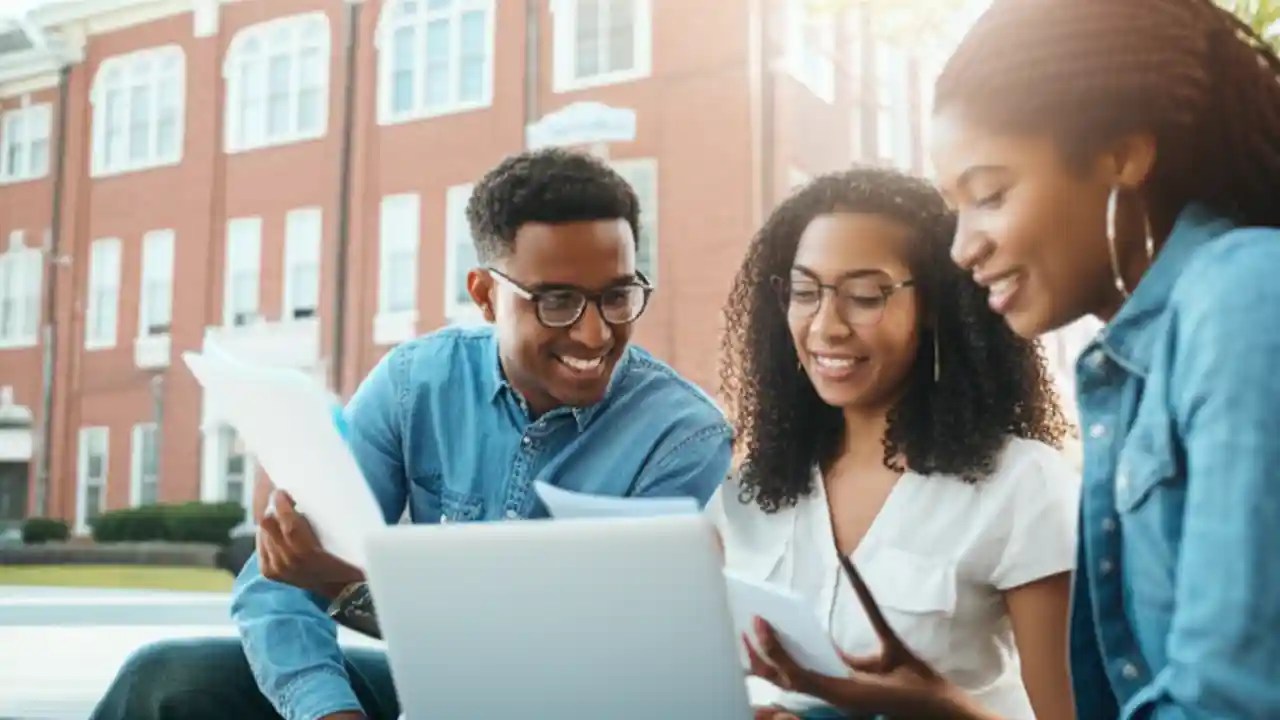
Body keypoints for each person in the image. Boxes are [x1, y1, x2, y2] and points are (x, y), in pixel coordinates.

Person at [748, 1, 1280, 718]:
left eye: (990, 195)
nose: (963, 249)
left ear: (1122, 153)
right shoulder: (1125, 379)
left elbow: (1231, 703)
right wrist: (944, 707)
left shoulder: (1240, 297)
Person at [89, 148, 733, 720]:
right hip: (429, 692)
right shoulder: (413, 384)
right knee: (166, 679)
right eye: (557, 301)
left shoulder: (681, 436)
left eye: (618, 296)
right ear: (484, 295)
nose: (595, 334)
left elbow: (564, 653)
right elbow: (275, 588)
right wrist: (329, 712)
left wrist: (352, 588)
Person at [713, 167, 1078, 720]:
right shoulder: (752, 488)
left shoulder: (1022, 485)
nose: (826, 326)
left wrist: (944, 707)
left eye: (864, 295)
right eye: (806, 292)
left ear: (932, 305)